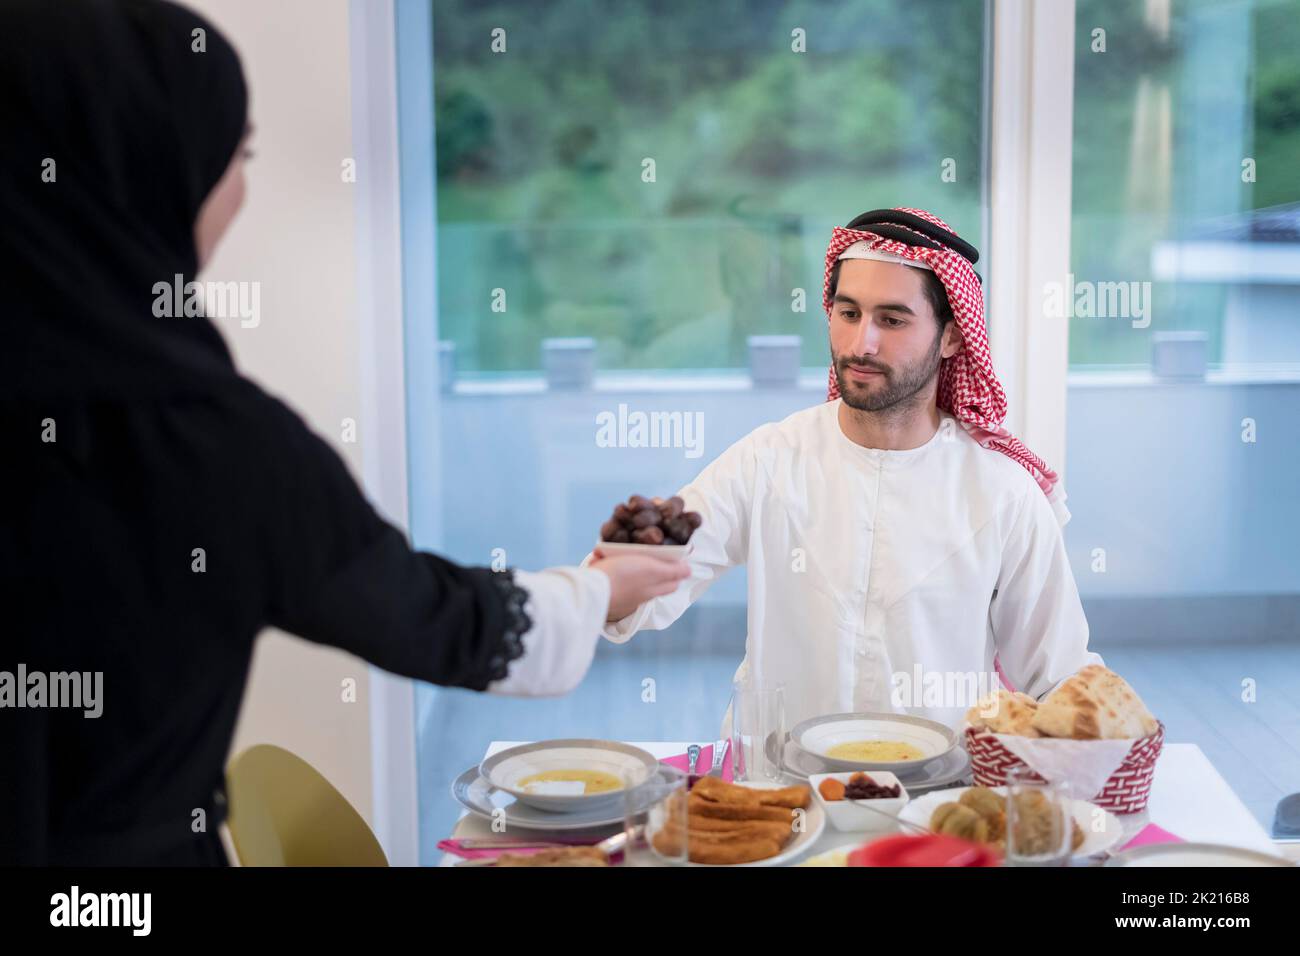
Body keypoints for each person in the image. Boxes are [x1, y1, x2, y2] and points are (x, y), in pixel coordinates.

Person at [0, 0, 687, 865]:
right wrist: (595, 593)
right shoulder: (206, 442)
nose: (240, 190)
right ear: (148, 168)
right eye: (236, 155)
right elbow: (422, 615)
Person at [595, 208, 1103, 734]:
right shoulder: (768, 460)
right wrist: (612, 579)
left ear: (952, 337)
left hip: (937, 799)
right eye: (848, 313)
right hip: (783, 796)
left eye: (892, 319)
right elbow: (649, 587)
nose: (862, 343)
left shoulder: (1002, 493)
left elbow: (1058, 676)